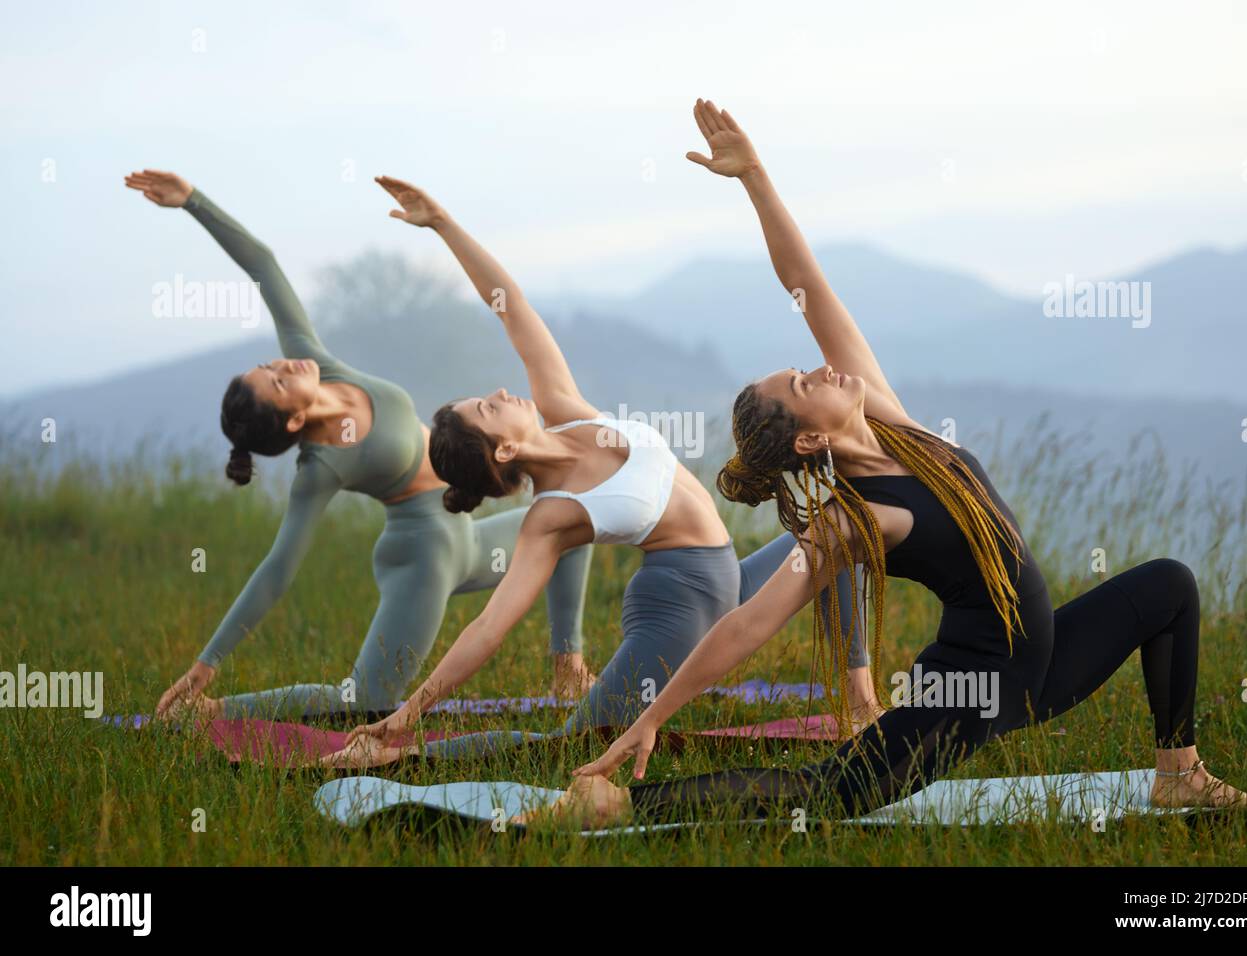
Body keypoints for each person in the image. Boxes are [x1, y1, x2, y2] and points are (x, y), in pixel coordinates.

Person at [520, 100, 1247, 827]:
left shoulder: (894, 426)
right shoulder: (851, 516)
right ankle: (617, 805)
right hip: (973, 689)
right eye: (805, 385)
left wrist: (755, 179)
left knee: (1169, 587)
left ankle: (1179, 774)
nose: (822, 371)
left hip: (1044, 662)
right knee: (828, 792)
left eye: (807, 368)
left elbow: (809, 289)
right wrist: (654, 714)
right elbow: (745, 627)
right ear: (809, 439)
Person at [330, 174, 887, 767]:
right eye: (488, 409)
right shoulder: (551, 517)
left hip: (732, 577)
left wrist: (443, 224)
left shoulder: (566, 413)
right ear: (503, 453)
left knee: (840, 528)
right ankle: (392, 754)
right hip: (681, 603)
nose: (499, 391)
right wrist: (410, 713)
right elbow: (489, 629)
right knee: (573, 745)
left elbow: (511, 309)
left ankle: (859, 702)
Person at [125, 170, 595, 720]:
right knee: (368, 701)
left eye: (269, 366)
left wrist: (193, 202)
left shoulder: (315, 363)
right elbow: (278, 567)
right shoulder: (320, 468)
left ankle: (569, 670)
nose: (284, 365)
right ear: (295, 418)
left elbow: (264, 266)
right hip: (424, 555)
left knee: (575, 516)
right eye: (278, 382)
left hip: (467, 535)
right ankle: (212, 712)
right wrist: (208, 662)